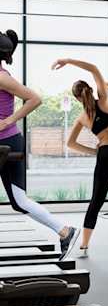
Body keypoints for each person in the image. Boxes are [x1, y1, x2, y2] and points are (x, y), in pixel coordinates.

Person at [53, 58, 108, 258]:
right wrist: (67, 61)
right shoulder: (104, 99)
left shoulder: (82, 117)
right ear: (90, 90)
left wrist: (95, 151)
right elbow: (94, 68)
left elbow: (70, 143)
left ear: (77, 98)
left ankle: (84, 247)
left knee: (96, 201)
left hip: (105, 154)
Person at [0, 30, 79, 258]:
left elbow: (35, 98)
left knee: (20, 200)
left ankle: (66, 232)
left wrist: (8, 121)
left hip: (8, 143)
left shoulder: (2, 76)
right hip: (6, 142)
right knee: (18, 202)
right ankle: (65, 232)